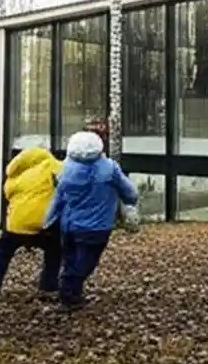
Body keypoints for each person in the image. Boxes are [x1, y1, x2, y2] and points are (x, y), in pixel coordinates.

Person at [44, 130, 138, 311]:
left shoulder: (66, 168)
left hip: (69, 225)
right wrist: (130, 203)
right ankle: (69, 295)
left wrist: (48, 221)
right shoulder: (109, 168)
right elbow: (129, 192)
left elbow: (58, 198)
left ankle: (71, 293)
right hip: (97, 226)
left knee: (71, 259)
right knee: (86, 262)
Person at [0, 147, 64, 301]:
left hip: (18, 224)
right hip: (45, 222)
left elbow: (8, 192)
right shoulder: (55, 166)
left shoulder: (17, 176)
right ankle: (49, 285)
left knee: (1, 252)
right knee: (55, 250)